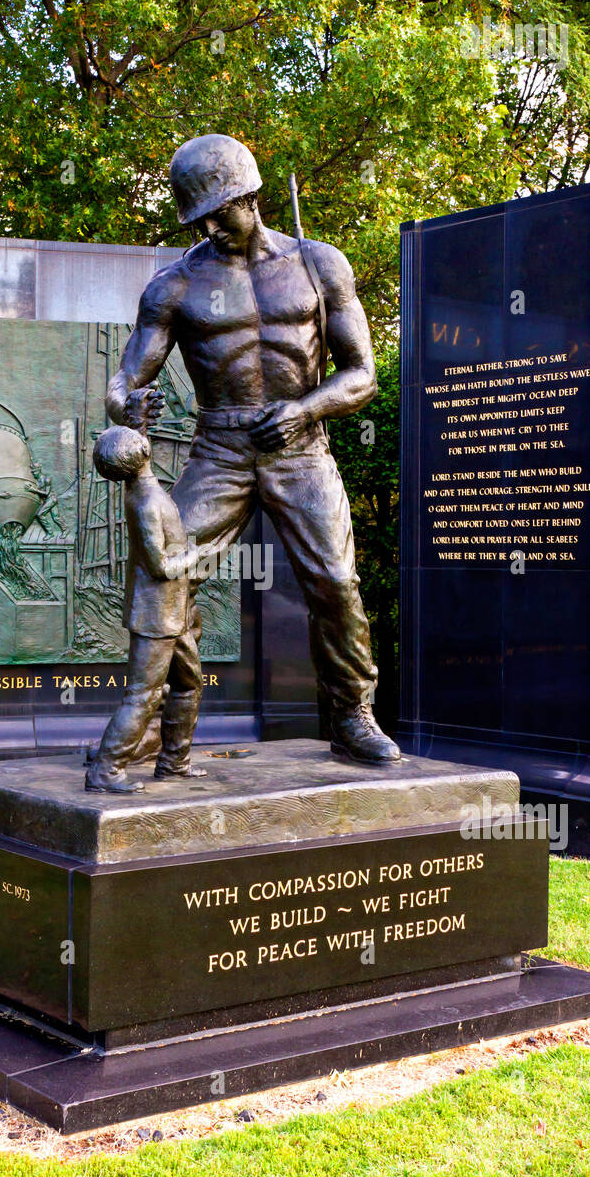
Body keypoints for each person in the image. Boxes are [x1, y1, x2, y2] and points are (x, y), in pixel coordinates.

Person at [106, 133, 400, 763]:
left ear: (250, 195)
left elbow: (362, 375)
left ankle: (352, 714)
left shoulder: (320, 265)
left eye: (221, 210)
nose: (211, 226)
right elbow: (127, 378)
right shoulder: (174, 286)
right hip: (220, 448)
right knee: (171, 569)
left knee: (337, 583)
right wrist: (127, 406)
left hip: (302, 446)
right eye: (199, 217)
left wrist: (304, 408)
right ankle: (163, 728)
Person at [85, 425, 206, 793]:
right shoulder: (148, 502)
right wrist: (196, 554)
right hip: (157, 617)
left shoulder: (143, 492)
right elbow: (160, 566)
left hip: (174, 612)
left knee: (188, 684)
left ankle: (173, 763)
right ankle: (106, 769)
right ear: (143, 451)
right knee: (143, 694)